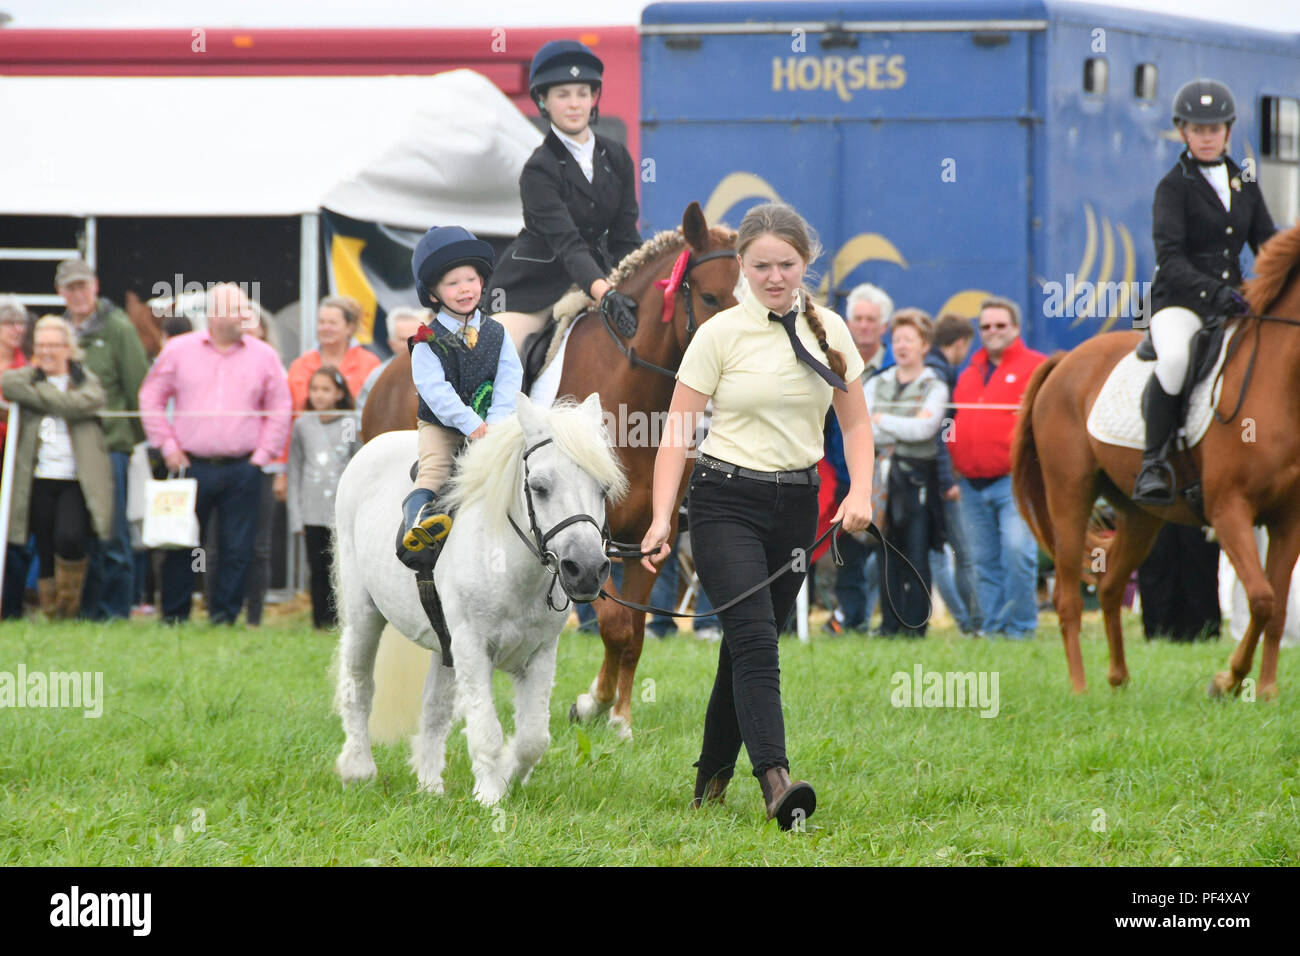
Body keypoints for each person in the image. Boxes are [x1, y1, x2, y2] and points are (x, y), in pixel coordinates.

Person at [640, 202, 873, 829]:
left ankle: (709, 784)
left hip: (798, 507)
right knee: (756, 640)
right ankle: (776, 779)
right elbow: (677, 435)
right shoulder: (718, 334)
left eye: (787, 265)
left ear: (806, 263)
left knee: (741, 649)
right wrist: (663, 517)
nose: (775, 276)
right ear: (741, 265)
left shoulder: (831, 329)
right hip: (724, 502)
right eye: (762, 265)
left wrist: (861, 494)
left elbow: (855, 425)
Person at [1134, 77, 1276, 504]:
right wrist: (1215, 292)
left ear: (1228, 131)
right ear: (1183, 132)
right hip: (1179, 301)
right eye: (1198, 129)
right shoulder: (1173, 186)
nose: (1207, 137)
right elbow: (1170, 257)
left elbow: (1267, 244)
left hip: (1233, 301)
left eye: (1214, 129)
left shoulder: (1244, 182)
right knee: (1177, 359)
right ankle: (1153, 461)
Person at [138, 283, 292, 625]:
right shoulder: (178, 350)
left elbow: (280, 407)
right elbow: (150, 398)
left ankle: (225, 616)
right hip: (189, 464)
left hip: (243, 467)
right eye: (239, 310)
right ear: (216, 315)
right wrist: (167, 446)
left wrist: (262, 455)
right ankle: (174, 616)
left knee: (238, 547)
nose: (246, 317)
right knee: (181, 543)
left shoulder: (263, 355)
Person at [485, 39, 642, 357]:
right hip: (537, 289)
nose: (574, 104)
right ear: (543, 102)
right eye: (562, 95)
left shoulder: (617, 156)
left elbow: (626, 238)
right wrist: (605, 293)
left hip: (603, 278)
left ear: (593, 98)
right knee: (498, 356)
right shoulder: (538, 169)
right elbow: (567, 243)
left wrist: (645, 283)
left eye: (582, 94)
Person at [398, 226, 523, 565]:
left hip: (492, 426)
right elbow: (435, 391)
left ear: (482, 282)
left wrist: (496, 423)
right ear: (434, 294)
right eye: (452, 284)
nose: (464, 289)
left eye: (470, 279)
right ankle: (418, 523)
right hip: (443, 427)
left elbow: (510, 378)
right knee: (435, 470)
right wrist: (471, 424)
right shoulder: (426, 341)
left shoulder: (498, 333)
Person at [55, 258, 150, 621]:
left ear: (95, 286)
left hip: (110, 447)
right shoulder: (59, 330)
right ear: (60, 291)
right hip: (66, 452)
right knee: (79, 533)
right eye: (70, 287)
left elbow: (139, 386)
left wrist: (128, 443)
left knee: (112, 533)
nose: (77, 293)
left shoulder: (118, 328)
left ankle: (114, 612)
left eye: (83, 285)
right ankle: (84, 610)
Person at [1, 316, 114, 619]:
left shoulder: (85, 381)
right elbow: (8, 382)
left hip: (75, 477)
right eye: (40, 345)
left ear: (68, 347)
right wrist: (60, 400)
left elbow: (89, 400)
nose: (47, 351)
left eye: (53, 345)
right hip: (37, 476)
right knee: (45, 543)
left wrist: (44, 398)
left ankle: (69, 605)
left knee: (70, 537)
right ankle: (52, 612)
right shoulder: (25, 378)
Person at [950, 297, 1046, 639]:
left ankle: (1020, 631)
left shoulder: (1037, 368)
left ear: (1016, 328)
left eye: (1000, 325)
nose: (992, 332)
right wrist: (954, 460)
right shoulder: (969, 373)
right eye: (986, 326)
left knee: (1018, 554)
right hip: (972, 484)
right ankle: (994, 631)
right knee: (982, 562)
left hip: (1013, 482)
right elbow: (954, 422)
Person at [867, 308, 948, 637]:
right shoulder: (878, 381)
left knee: (916, 553)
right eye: (897, 339)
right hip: (883, 476)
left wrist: (882, 421)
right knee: (886, 551)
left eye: (909, 340)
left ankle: (916, 627)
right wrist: (891, 425)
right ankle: (888, 625)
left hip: (917, 479)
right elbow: (863, 426)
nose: (901, 346)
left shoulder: (934, 385)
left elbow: (925, 428)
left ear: (925, 345)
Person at [822, 282, 892, 635]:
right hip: (840, 472)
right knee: (847, 552)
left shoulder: (897, 365)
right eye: (858, 319)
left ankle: (894, 623)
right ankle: (852, 620)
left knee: (888, 551)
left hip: (891, 478)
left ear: (884, 326)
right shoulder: (833, 362)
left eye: (871, 320)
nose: (864, 325)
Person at [277, 296, 379, 503]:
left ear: (349, 327)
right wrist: (282, 469)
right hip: (307, 460)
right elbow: (287, 419)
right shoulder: (300, 365)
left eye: (332, 323)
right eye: (321, 322)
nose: (325, 328)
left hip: (353, 456)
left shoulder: (369, 365)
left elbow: (372, 417)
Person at [288, 366, 359, 629]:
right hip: (313, 511)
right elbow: (294, 469)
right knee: (317, 569)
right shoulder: (302, 425)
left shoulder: (350, 423)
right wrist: (297, 516)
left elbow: (356, 461)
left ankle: (344, 620)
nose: (318, 395)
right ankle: (320, 622)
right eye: (314, 389)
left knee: (341, 568)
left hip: (341, 512)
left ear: (339, 393)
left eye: (326, 389)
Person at [925, 313, 980, 634]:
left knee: (933, 554)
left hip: (925, 476)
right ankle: (972, 623)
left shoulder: (933, 369)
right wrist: (947, 481)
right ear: (960, 343)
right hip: (938, 479)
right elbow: (941, 435)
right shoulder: (941, 374)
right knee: (960, 555)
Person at [0, 296, 32, 618]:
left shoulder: (30, 367)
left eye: (20, 323)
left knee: (14, 529)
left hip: (16, 455)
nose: (16, 329)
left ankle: (11, 607)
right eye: (8, 322)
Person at [354, 307, 430, 416]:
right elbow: (361, 417)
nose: (411, 344)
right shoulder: (378, 377)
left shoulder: (440, 370)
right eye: (403, 339)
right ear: (391, 343)